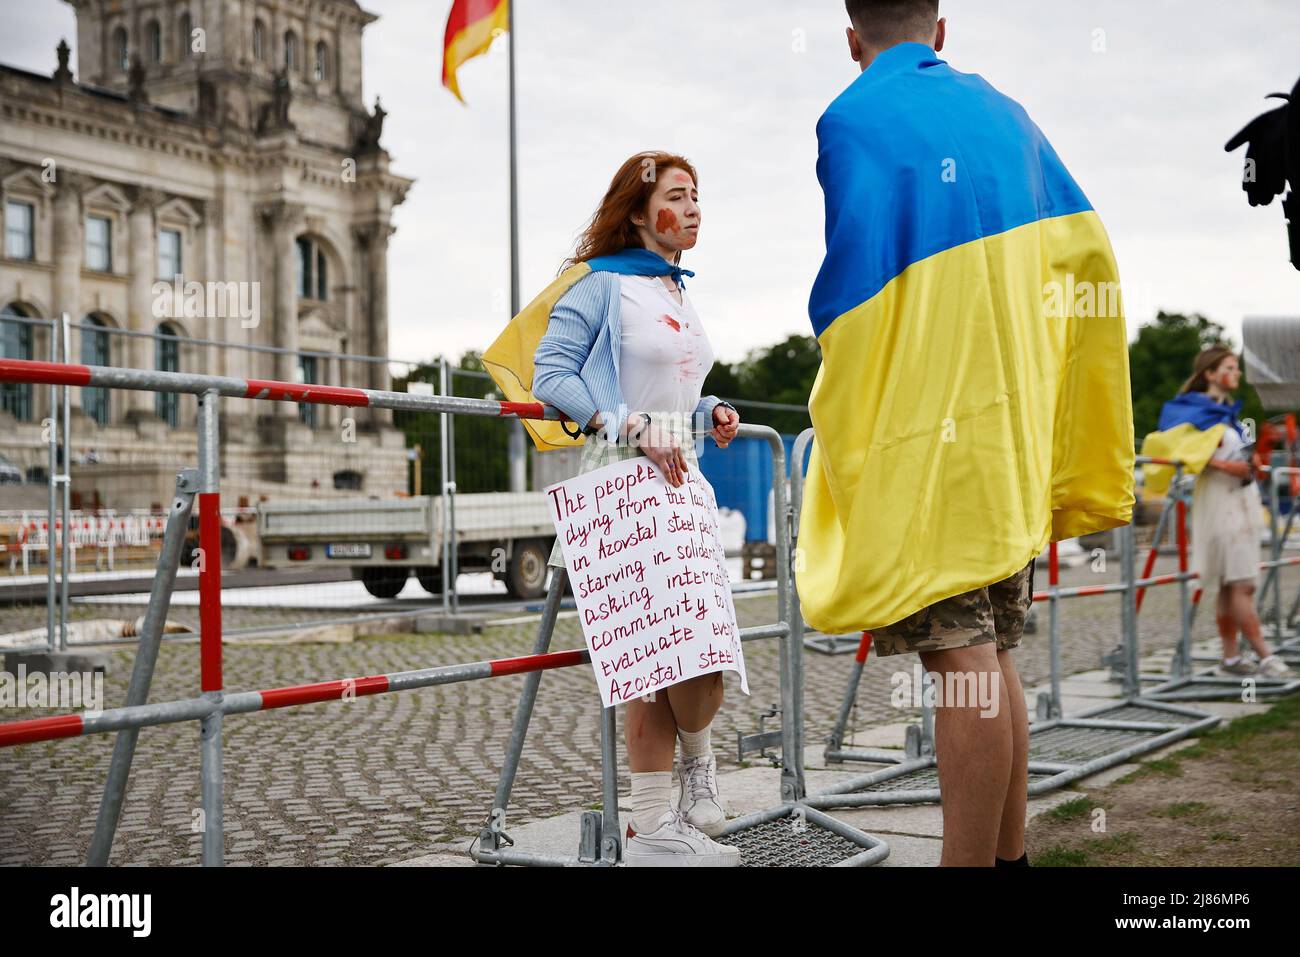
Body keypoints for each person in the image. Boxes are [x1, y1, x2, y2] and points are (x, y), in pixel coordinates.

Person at [799, 0, 1135, 867]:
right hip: (1009, 436)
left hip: (930, 436)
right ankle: (1008, 858)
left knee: (960, 659)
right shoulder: (1010, 115)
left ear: (851, 40)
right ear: (940, 30)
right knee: (995, 652)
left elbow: (855, 290)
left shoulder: (852, 117)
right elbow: (1088, 254)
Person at [531, 151, 743, 867]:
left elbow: (672, 389)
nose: (692, 208)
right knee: (646, 663)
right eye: (677, 196)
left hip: (680, 487)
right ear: (635, 212)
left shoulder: (675, 288)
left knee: (701, 657)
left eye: (696, 197)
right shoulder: (602, 284)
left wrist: (708, 408)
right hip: (620, 486)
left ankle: (694, 770)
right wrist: (629, 423)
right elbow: (552, 375)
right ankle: (653, 826)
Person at [1163, 347, 1295, 679]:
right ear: (1210, 373)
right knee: (1243, 583)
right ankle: (1265, 656)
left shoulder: (1227, 416)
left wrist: (1246, 464)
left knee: (1228, 584)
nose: (1236, 374)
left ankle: (1231, 657)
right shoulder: (1192, 413)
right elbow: (1176, 450)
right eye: (1230, 367)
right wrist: (1224, 465)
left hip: (1240, 501)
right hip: (1222, 504)